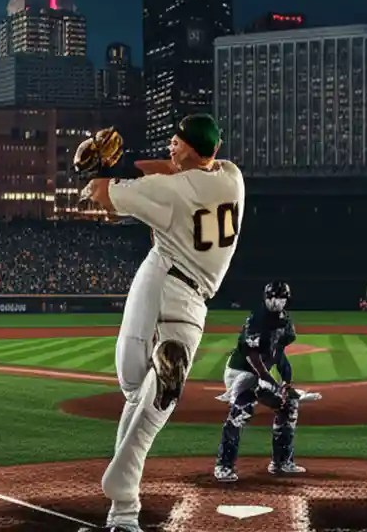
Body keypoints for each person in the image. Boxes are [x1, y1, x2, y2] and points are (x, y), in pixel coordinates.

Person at [79, 113, 245, 532]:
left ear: (192, 147)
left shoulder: (173, 193)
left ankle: (123, 500)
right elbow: (174, 171)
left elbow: (100, 195)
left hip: (171, 284)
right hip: (179, 285)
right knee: (137, 383)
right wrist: (133, 162)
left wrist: (104, 170)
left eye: (177, 140)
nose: (171, 145)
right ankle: (123, 514)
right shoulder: (231, 176)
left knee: (158, 388)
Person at [213, 281, 305, 483]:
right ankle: (224, 466)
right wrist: (268, 379)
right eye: (272, 296)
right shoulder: (257, 319)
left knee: (289, 405)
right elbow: (252, 356)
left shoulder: (284, 322)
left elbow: (279, 355)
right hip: (240, 372)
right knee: (242, 411)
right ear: (265, 297)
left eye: (280, 297)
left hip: (260, 373)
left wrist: (286, 382)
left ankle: (281, 462)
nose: (275, 301)